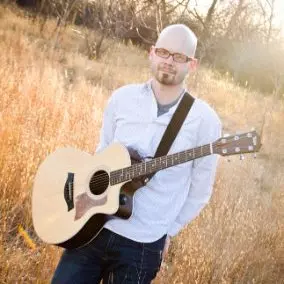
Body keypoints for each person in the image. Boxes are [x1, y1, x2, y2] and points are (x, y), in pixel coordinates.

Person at [51, 24, 222, 284]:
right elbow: (101, 155)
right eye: (164, 52)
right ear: (151, 53)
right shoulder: (122, 98)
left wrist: (169, 232)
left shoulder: (204, 120)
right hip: (93, 228)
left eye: (179, 57)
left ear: (192, 64)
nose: (169, 61)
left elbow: (200, 192)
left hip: (142, 246)